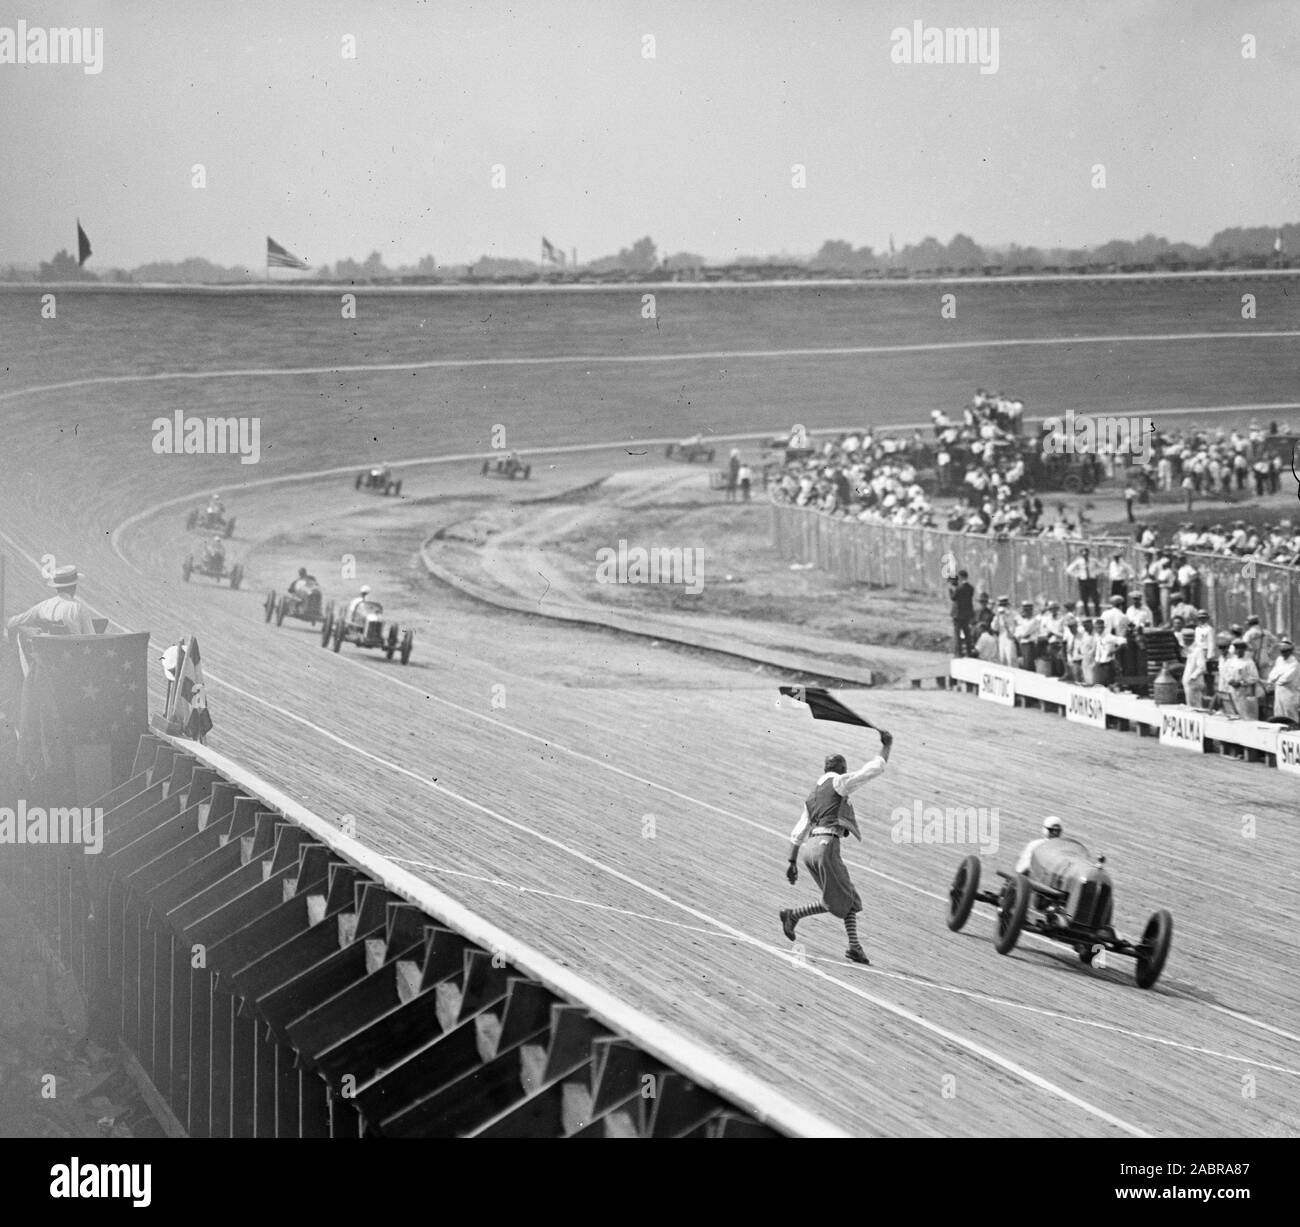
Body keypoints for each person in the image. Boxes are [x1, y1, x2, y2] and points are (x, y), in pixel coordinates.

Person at [781, 727, 894, 966]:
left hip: (810, 850)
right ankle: (793, 915)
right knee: (840, 899)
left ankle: (854, 947)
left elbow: (798, 831)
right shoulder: (839, 783)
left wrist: (791, 862)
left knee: (847, 897)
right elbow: (871, 771)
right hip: (826, 846)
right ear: (841, 769)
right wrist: (886, 746)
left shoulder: (812, 796)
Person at [5, 564, 98, 638]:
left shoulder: (43, 606)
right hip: (75, 655)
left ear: (56, 587)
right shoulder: (79, 608)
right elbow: (92, 639)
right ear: (74, 587)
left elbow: (12, 622)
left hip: (47, 654)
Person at [1218, 640, 1261, 719]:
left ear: (1244, 650)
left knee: (1243, 713)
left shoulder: (1249, 662)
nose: (1238, 651)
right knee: (1232, 712)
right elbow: (1226, 672)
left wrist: (1241, 683)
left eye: (1240, 649)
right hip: (1231, 690)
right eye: (1236, 649)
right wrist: (1230, 680)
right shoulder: (1231, 661)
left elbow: (1255, 677)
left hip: (1243, 691)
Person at [1266, 639, 1299, 723]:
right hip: (1279, 691)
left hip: (1290, 693)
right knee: (1278, 713)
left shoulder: (1294, 664)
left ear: (1290, 651)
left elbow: (1285, 679)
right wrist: (1270, 681)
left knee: (1290, 714)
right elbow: (1273, 673)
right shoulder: (1279, 660)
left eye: (1285, 651)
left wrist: (1274, 681)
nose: (1283, 653)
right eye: (1282, 651)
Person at [1065, 548, 1101, 617]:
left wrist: (1096, 573)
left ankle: (1097, 614)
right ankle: (1087, 615)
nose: (1085, 556)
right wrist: (1077, 574)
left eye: (1086, 554)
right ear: (1081, 554)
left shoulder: (1093, 561)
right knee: (1085, 599)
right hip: (1083, 581)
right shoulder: (1078, 561)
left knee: (1095, 598)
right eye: (1084, 554)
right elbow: (1069, 569)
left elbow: (1102, 567)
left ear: (1088, 553)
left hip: (1092, 580)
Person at [948, 569, 975, 658]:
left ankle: (958, 652)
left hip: (958, 614)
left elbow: (953, 598)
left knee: (957, 634)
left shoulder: (959, 588)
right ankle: (969, 651)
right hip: (966, 614)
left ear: (961, 577)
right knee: (967, 633)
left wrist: (951, 589)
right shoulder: (971, 588)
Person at [1181, 629, 1207, 709]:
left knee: (1196, 707)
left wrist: (1192, 677)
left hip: (1194, 683)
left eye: (1185, 639)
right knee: (1190, 707)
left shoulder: (1198, 650)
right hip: (1188, 684)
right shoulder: (1188, 650)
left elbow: (1202, 667)